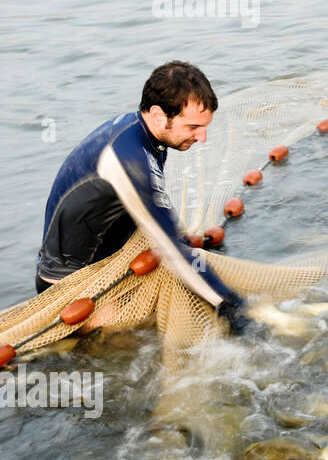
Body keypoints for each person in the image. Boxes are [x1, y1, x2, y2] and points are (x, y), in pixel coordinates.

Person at [36, 61, 247, 329]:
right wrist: (234, 309)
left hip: (110, 260)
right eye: (193, 127)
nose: (202, 137)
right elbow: (172, 249)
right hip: (71, 286)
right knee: (140, 337)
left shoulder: (144, 134)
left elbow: (156, 218)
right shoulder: (129, 159)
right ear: (159, 115)